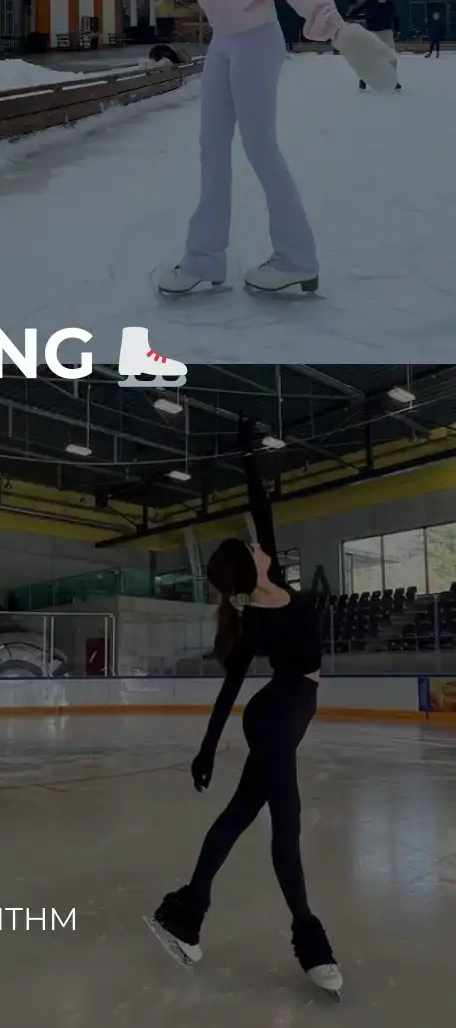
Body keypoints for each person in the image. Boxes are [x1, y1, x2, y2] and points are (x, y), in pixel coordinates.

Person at [146, 418, 342, 1000]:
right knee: (287, 825)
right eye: (255, 550)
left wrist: (247, 456)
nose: (262, 546)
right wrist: (205, 749)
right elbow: (230, 691)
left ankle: (185, 915)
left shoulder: (269, 577)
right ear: (250, 569)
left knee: (238, 814)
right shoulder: (254, 621)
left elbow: (262, 507)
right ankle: (311, 941)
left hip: (287, 708)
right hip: (278, 715)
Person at [158, 0, 395, 298]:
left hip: (256, 41)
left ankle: (296, 258)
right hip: (224, 43)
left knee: (260, 147)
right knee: (211, 149)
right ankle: (205, 257)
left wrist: (335, 28)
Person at [346, 0, 402, 88]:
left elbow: (396, 17)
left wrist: (397, 30)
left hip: (386, 31)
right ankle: (363, 79)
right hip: (372, 32)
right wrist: (355, 17)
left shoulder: (390, 4)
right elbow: (354, 12)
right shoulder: (370, 3)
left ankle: (393, 81)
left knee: (391, 57)